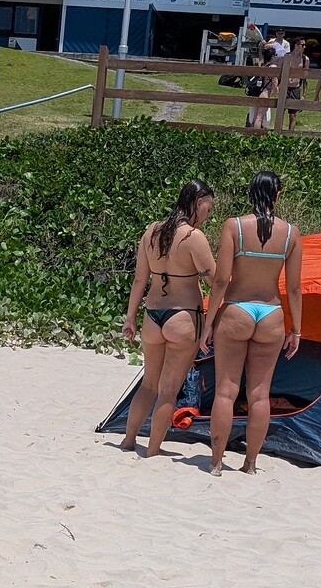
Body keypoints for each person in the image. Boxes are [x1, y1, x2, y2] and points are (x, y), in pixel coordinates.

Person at [199, 171, 302, 476]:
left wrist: (208, 322)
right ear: (277, 196)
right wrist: (297, 329)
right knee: (259, 395)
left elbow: (220, 280)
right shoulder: (291, 234)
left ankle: (217, 463)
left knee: (226, 392)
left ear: (249, 195)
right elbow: (294, 288)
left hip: (237, 310)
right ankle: (251, 464)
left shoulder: (235, 227)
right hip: (270, 313)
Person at [121, 180, 218, 459]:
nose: (206, 216)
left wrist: (130, 318)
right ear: (198, 203)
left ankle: (128, 441)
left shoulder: (152, 230)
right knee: (168, 390)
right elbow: (215, 279)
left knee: (148, 384)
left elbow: (140, 279)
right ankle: (152, 451)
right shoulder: (192, 237)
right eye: (207, 209)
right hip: (182, 316)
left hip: (152, 316)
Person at [246, 48, 279, 130]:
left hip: (257, 92)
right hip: (265, 92)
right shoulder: (273, 67)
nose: (276, 57)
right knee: (259, 117)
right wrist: (277, 92)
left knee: (255, 116)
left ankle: (252, 133)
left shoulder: (263, 65)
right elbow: (274, 83)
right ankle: (256, 135)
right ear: (272, 56)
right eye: (275, 55)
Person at [283, 37, 307, 130]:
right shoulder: (287, 56)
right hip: (285, 87)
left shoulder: (305, 59)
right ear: (296, 46)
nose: (304, 47)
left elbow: (305, 79)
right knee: (281, 111)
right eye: (302, 45)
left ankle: (290, 134)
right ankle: (277, 133)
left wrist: (304, 94)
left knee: (292, 114)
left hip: (296, 88)